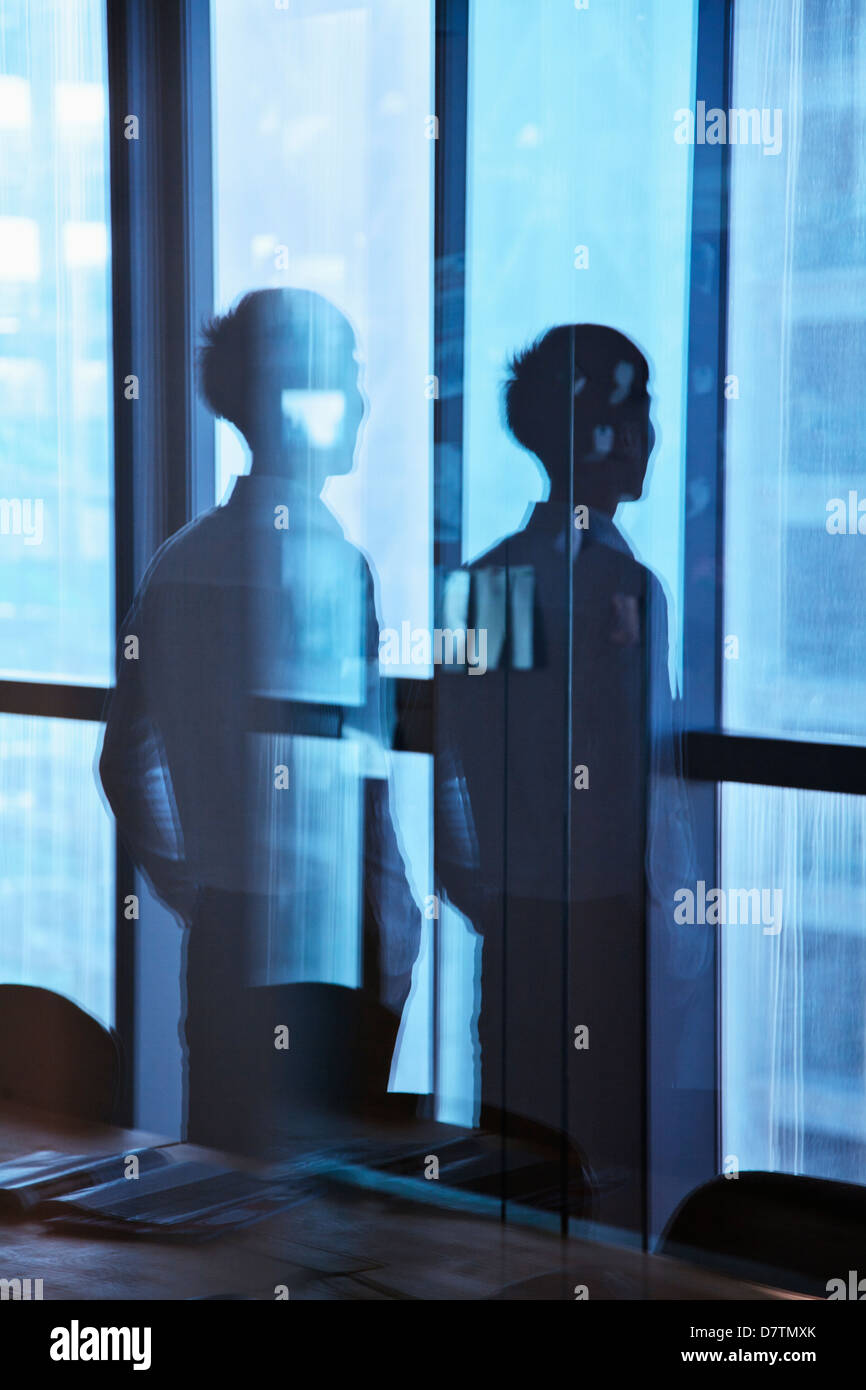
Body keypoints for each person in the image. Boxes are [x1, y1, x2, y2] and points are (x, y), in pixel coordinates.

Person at [99, 288, 421, 1153]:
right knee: (331, 1200)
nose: (360, 401)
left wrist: (199, 887)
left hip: (225, 936)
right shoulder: (331, 564)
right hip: (326, 941)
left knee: (226, 1182)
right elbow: (357, 790)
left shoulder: (177, 562)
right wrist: (396, 939)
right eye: (344, 376)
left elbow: (122, 763)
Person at [436, 325, 701, 1227]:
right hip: (604, 929)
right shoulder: (628, 586)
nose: (649, 436)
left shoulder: (493, 581)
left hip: (521, 923)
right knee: (606, 1181)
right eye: (637, 413)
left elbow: (464, 761)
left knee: (519, 1176)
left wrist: (488, 891)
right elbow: (648, 781)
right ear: (602, 435)